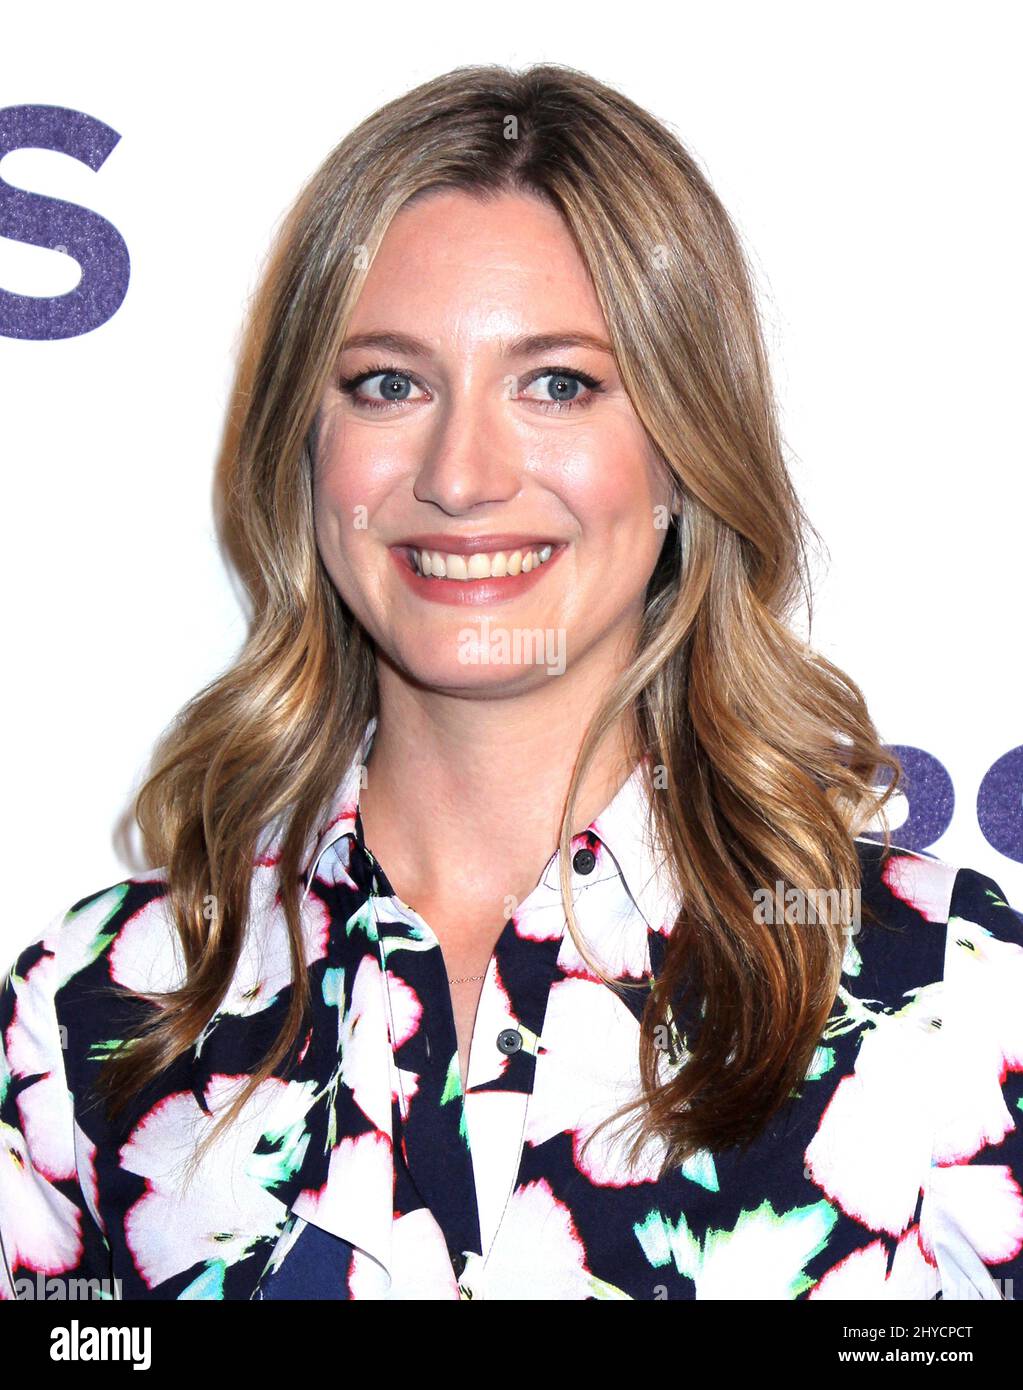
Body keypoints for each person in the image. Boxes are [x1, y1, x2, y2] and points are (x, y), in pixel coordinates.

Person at [2, 62, 1021, 1303]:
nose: (463, 473)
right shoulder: (104, 1008)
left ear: (685, 453)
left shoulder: (961, 990)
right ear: (307, 451)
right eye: (389, 382)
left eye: (558, 383)